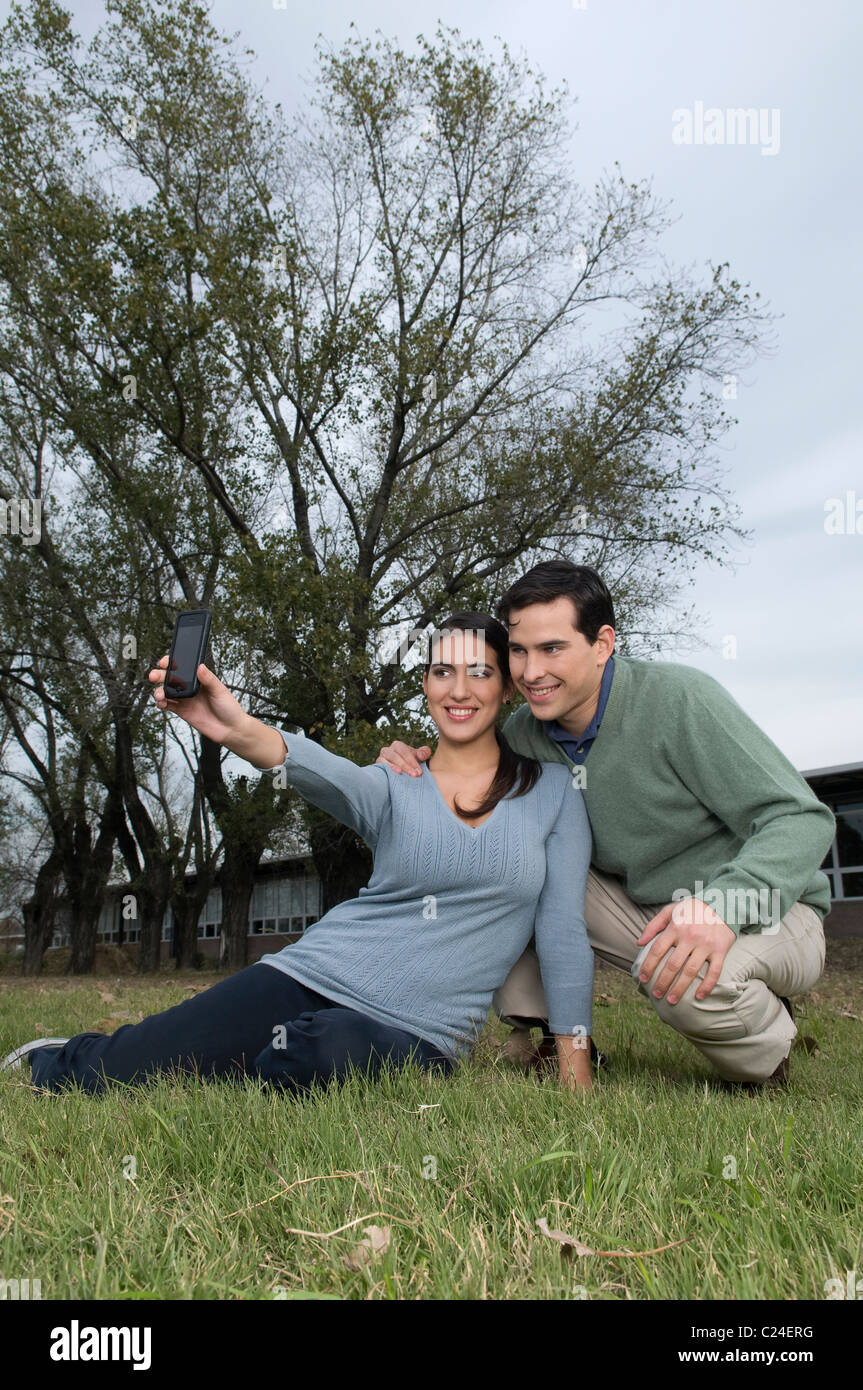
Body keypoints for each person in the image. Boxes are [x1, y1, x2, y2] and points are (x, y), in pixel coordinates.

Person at [4, 613, 596, 1096]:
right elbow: (313, 766)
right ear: (425, 683)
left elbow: (564, 935)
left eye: (479, 672)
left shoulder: (551, 793)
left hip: (423, 1034)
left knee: (323, 1050)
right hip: (310, 974)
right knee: (130, 1067)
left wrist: (576, 1076)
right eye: (443, 671)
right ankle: (58, 1059)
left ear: (506, 686)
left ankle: (272, 1053)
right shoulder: (394, 782)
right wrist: (230, 724)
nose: (459, 690)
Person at [376, 562, 835, 1092]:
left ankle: (768, 1046)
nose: (530, 671)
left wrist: (721, 910)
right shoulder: (526, 732)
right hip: (642, 907)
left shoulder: (681, 699)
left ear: (602, 644)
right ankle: (556, 1037)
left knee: (686, 986)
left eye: (552, 649)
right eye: (520, 652)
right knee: (510, 860)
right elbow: (469, 777)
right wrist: (406, 758)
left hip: (769, 909)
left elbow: (800, 816)